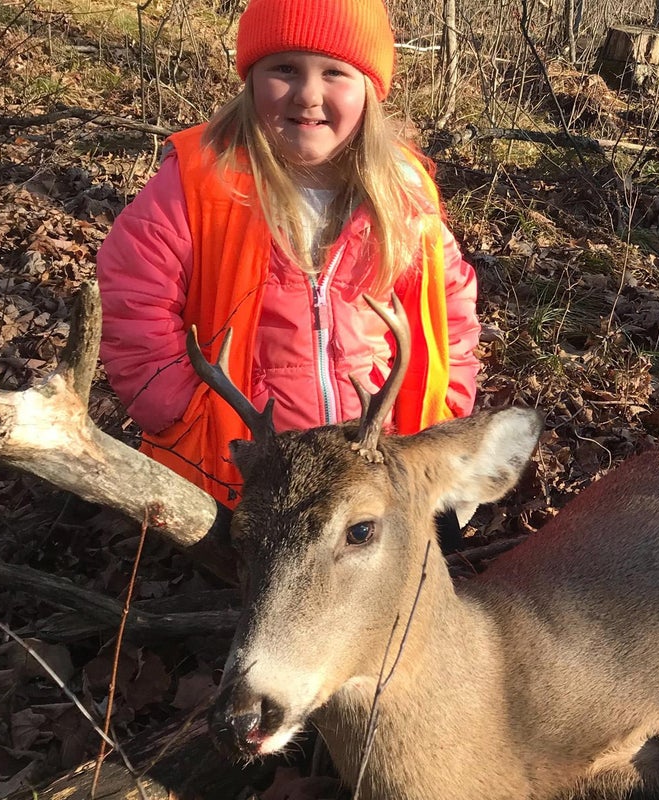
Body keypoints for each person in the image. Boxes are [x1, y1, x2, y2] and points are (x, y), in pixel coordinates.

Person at [96, 0, 482, 533]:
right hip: (242, 467)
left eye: (335, 73)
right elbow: (133, 296)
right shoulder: (201, 180)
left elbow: (451, 314)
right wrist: (178, 409)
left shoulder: (403, 192)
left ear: (368, 89)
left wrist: (445, 417)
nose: (308, 95)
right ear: (251, 78)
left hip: (370, 464)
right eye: (284, 69)